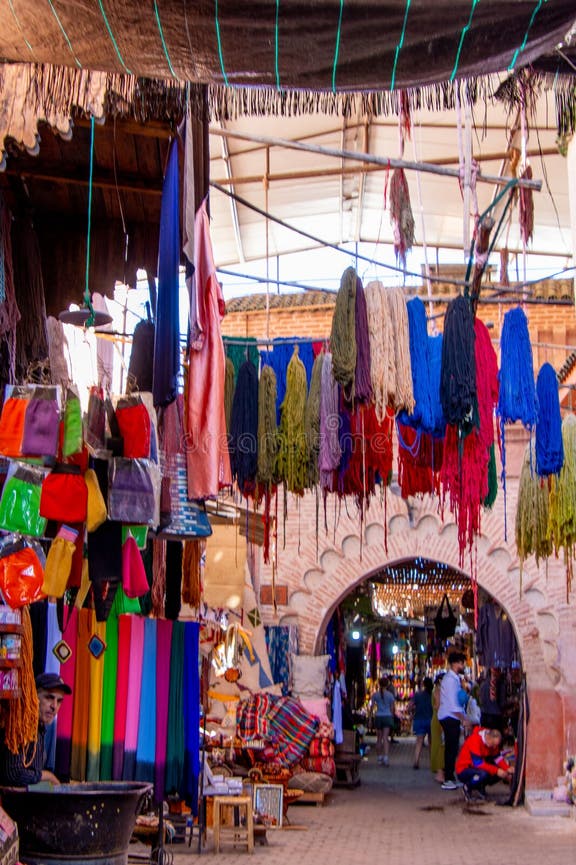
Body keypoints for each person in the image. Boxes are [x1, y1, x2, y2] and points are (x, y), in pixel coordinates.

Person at [0, 672, 71, 787]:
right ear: (34, 696)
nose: (54, 706)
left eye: (59, 701)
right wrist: (49, 777)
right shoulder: (20, 724)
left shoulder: (40, 728)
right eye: (49, 697)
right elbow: (13, 773)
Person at [438, 650, 472, 790]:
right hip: (449, 717)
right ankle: (448, 778)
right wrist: (463, 719)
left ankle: (451, 776)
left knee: (453, 748)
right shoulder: (450, 681)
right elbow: (453, 704)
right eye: (461, 663)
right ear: (454, 664)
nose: (463, 665)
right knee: (451, 749)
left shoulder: (454, 679)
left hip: (451, 716)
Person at [456, 726, 513, 802]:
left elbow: (497, 757)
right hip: (464, 769)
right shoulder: (475, 740)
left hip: (477, 767)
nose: (494, 747)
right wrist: (496, 770)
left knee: (502, 771)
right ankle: (467, 787)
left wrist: (507, 768)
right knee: (484, 773)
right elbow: (478, 763)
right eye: (493, 744)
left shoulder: (491, 741)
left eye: (496, 745)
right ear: (488, 738)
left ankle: (480, 787)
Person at [370, 676, 395, 766]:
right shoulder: (390, 695)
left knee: (379, 738)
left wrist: (370, 718)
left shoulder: (375, 695)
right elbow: (392, 708)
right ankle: (386, 757)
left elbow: (372, 707)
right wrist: (392, 717)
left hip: (378, 716)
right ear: (387, 684)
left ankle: (379, 757)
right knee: (385, 738)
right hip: (387, 716)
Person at [411, 676, 433, 769]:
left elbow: (410, 706)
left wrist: (412, 713)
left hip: (419, 720)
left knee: (419, 742)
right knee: (431, 742)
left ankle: (416, 761)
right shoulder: (433, 695)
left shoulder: (417, 695)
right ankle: (433, 762)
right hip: (431, 720)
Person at [430, 672, 445, 782]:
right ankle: (440, 770)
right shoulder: (438, 691)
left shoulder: (436, 690)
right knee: (440, 745)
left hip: (437, 718)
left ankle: (439, 769)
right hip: (439, 719)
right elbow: (438, 705)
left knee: (438, 744)